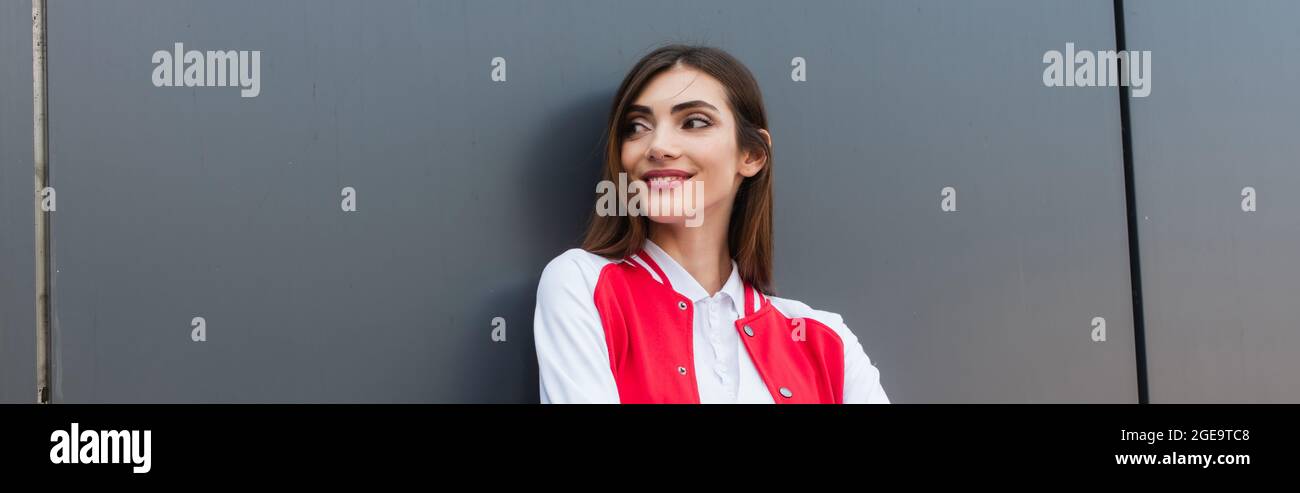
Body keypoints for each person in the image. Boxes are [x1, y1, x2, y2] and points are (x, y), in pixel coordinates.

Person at [534, 44, 889, 404]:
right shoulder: (582, 284)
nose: (658, 146)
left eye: (694, 122)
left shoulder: (824, 337)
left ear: (751, 155)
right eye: (637, 127)